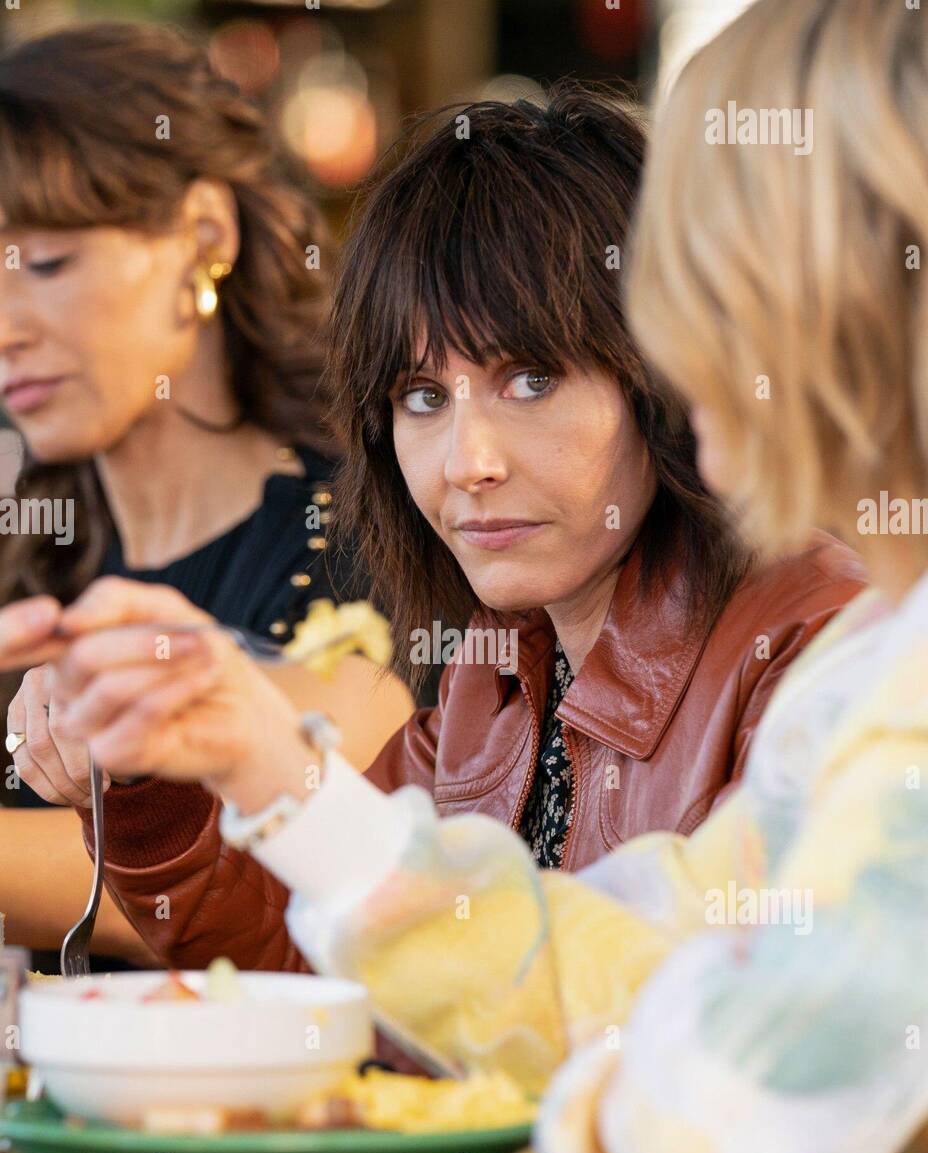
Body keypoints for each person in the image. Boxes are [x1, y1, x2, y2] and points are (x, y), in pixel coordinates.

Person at [0, 88, 863, 974]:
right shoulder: (487, 675)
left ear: (668, 371)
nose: (467, 462)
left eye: (531, 380)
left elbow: (705, 1021)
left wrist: (261, 754)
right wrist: (153, 794)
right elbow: (332, 968)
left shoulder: (818, 646)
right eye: (422, 397)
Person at [0, 23, 412, 963]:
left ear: (204, 236)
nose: (5, 326)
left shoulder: (365, 530)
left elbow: (280, 871)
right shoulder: (32, 553)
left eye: (49, 264)